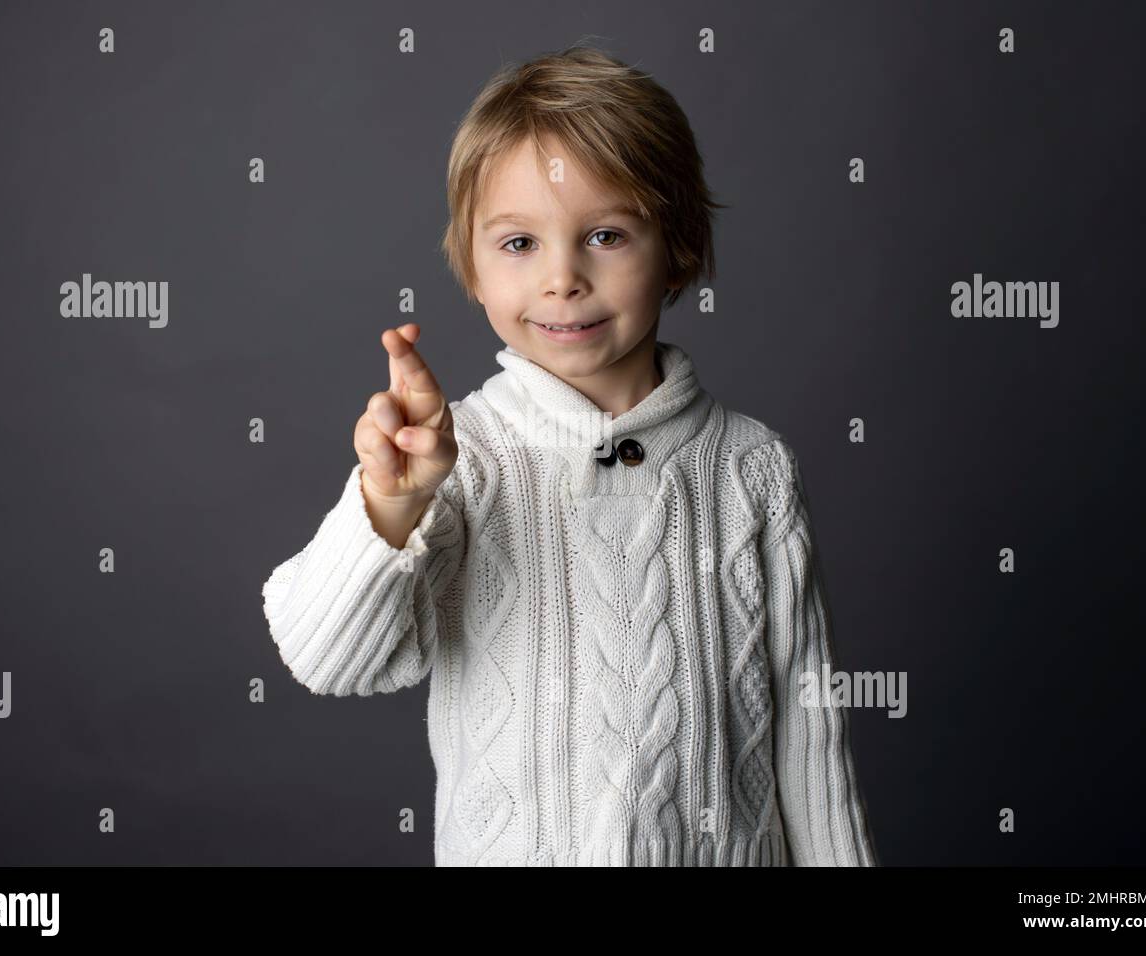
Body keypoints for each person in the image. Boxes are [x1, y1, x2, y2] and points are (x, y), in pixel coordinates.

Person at [261, 43, 879, 867]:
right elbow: (328, 659)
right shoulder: (459, 457)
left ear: (679, 251)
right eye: (519, 244)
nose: (562, 278)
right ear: (472, 267)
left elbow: (809, 731)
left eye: (605, 235)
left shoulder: (751, 467)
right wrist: (393, 504)